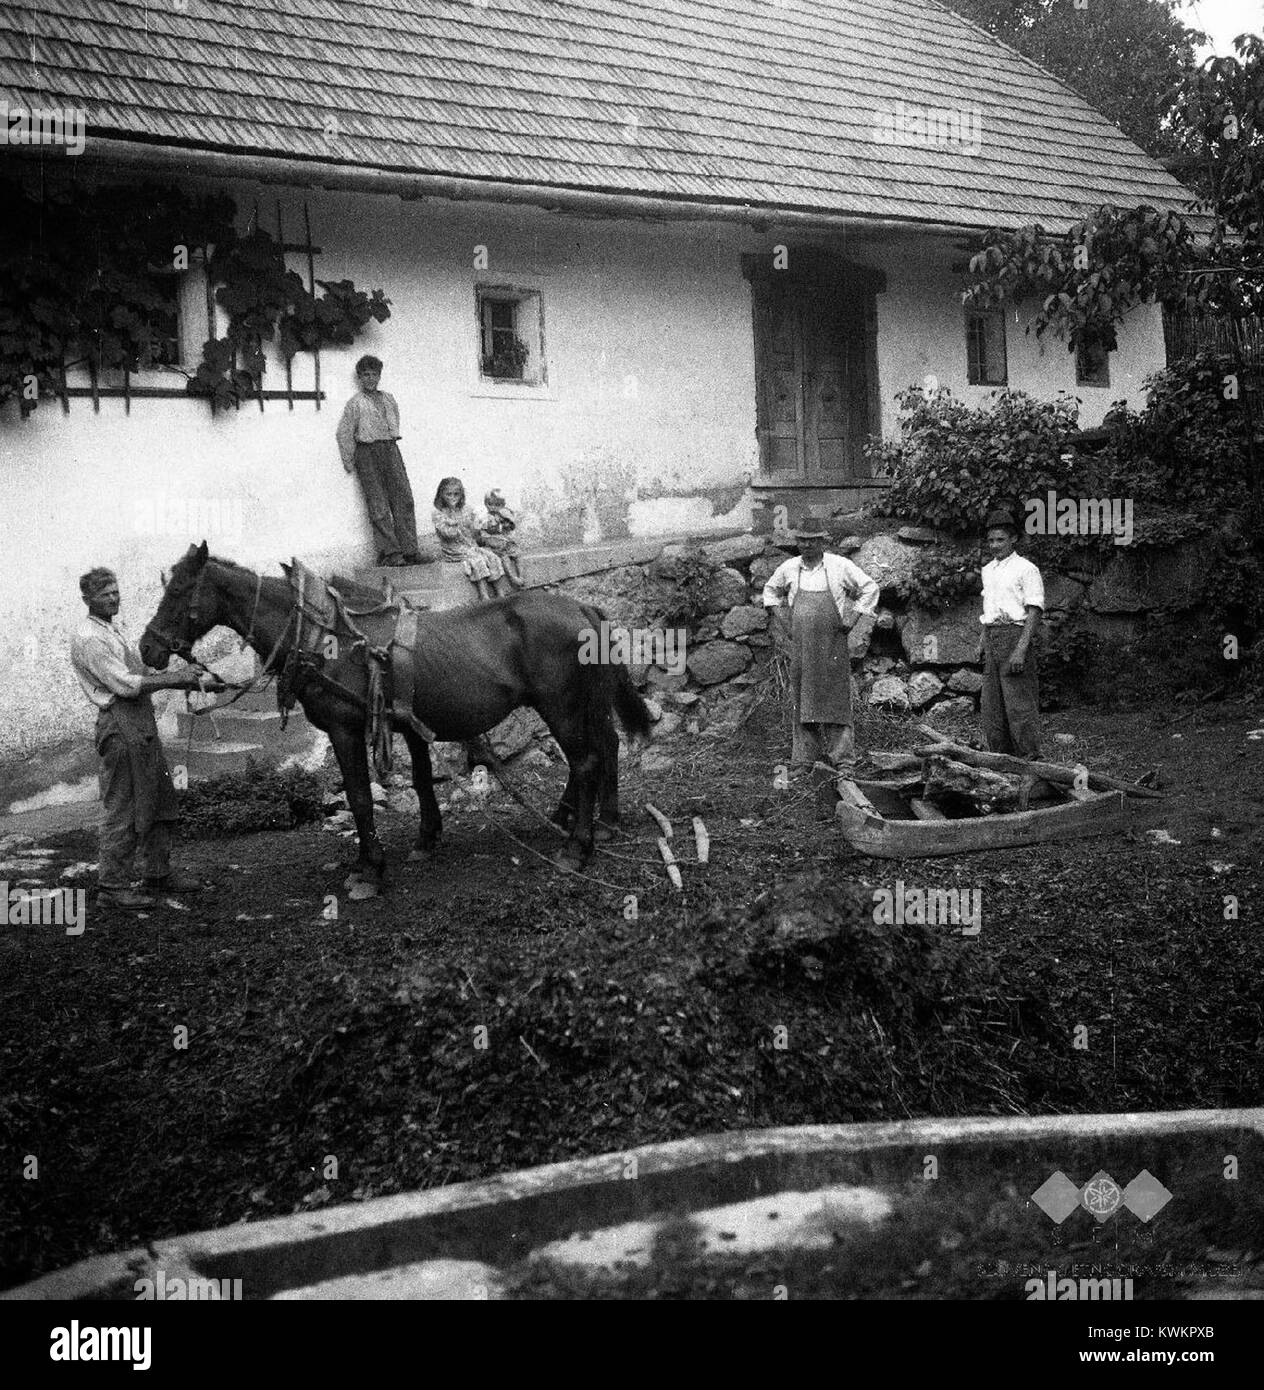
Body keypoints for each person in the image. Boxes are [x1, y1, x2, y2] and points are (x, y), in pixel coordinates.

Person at [70, 568, 226, 909]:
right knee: (123, 806)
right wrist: (178, 679)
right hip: (120, 724)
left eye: (115, 590)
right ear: (87, 600)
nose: (113, 597)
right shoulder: (89, 637)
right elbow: (125, 684)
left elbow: (141, 673)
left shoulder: (111, 629)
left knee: (159, 798)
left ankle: (158, 874)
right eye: (104, 594)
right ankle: (112, 886)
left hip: (141, 721)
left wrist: (194, 677)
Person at [762, 515, 880, 800]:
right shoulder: (790, 568)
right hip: (802, 647)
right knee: (803, 700)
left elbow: (870, 587)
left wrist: (852, 618)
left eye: (812, 541)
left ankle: (844, 762)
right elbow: (770, 592)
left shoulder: (840, 566)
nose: (806, 546)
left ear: (822, 541)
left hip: (832, 646)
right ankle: (803, 760)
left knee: (836, 700)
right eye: (801, 540)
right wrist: (786, 622)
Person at [336, 355, 422, 567]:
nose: (371, 379)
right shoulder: (355, 403)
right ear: (359, 377)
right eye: (366, 375)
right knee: (378, 504)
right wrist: (349, 459)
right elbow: (344, 432)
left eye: (375, 374)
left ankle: (410, 550)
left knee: (404, 498)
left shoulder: (388, 399)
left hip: (390, 449)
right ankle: (390, 552)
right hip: (367, 453)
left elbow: (395, 420)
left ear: (379, 376)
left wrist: (390, 438)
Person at [977, 508, 1045, 759]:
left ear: (1013, 539)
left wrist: (1020, 649)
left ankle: (1030, 762)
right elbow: (990, 608)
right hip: (993, 638)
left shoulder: (1026, 569)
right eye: (991, 540)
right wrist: (983, 639)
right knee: (992, 707)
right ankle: (1002, 762)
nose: (995, 545)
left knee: (1019, 705)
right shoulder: (988, 570)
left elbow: (1034, 609)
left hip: (1015, 637)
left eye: (1000, 540)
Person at [432, 477, 511, 600]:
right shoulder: (439, 513)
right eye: (449, 494)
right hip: (454, 549)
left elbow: (474, 530)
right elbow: (449, 534)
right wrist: (455, 520)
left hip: (470, 545)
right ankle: (484, 595)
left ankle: (500, 593)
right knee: (478, 560)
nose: (453, 497)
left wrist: (481, 523)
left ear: (461, 495)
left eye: (456, 494)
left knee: (492, 557)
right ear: (441, 495)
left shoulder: (466, 509)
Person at [481, 489, 524, 587]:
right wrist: (492, 525)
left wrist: (507, 522)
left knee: (518, 554)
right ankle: (512, 578)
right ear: (485, 504)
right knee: (505, 558)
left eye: (497, 505)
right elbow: (483, 531)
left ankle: (521, 576)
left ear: (502, 505)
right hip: (494, 543)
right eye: (489, 504)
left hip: (504, 542)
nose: (492, 507)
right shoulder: (485, 517)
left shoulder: (502, 515)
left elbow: (511, 527)